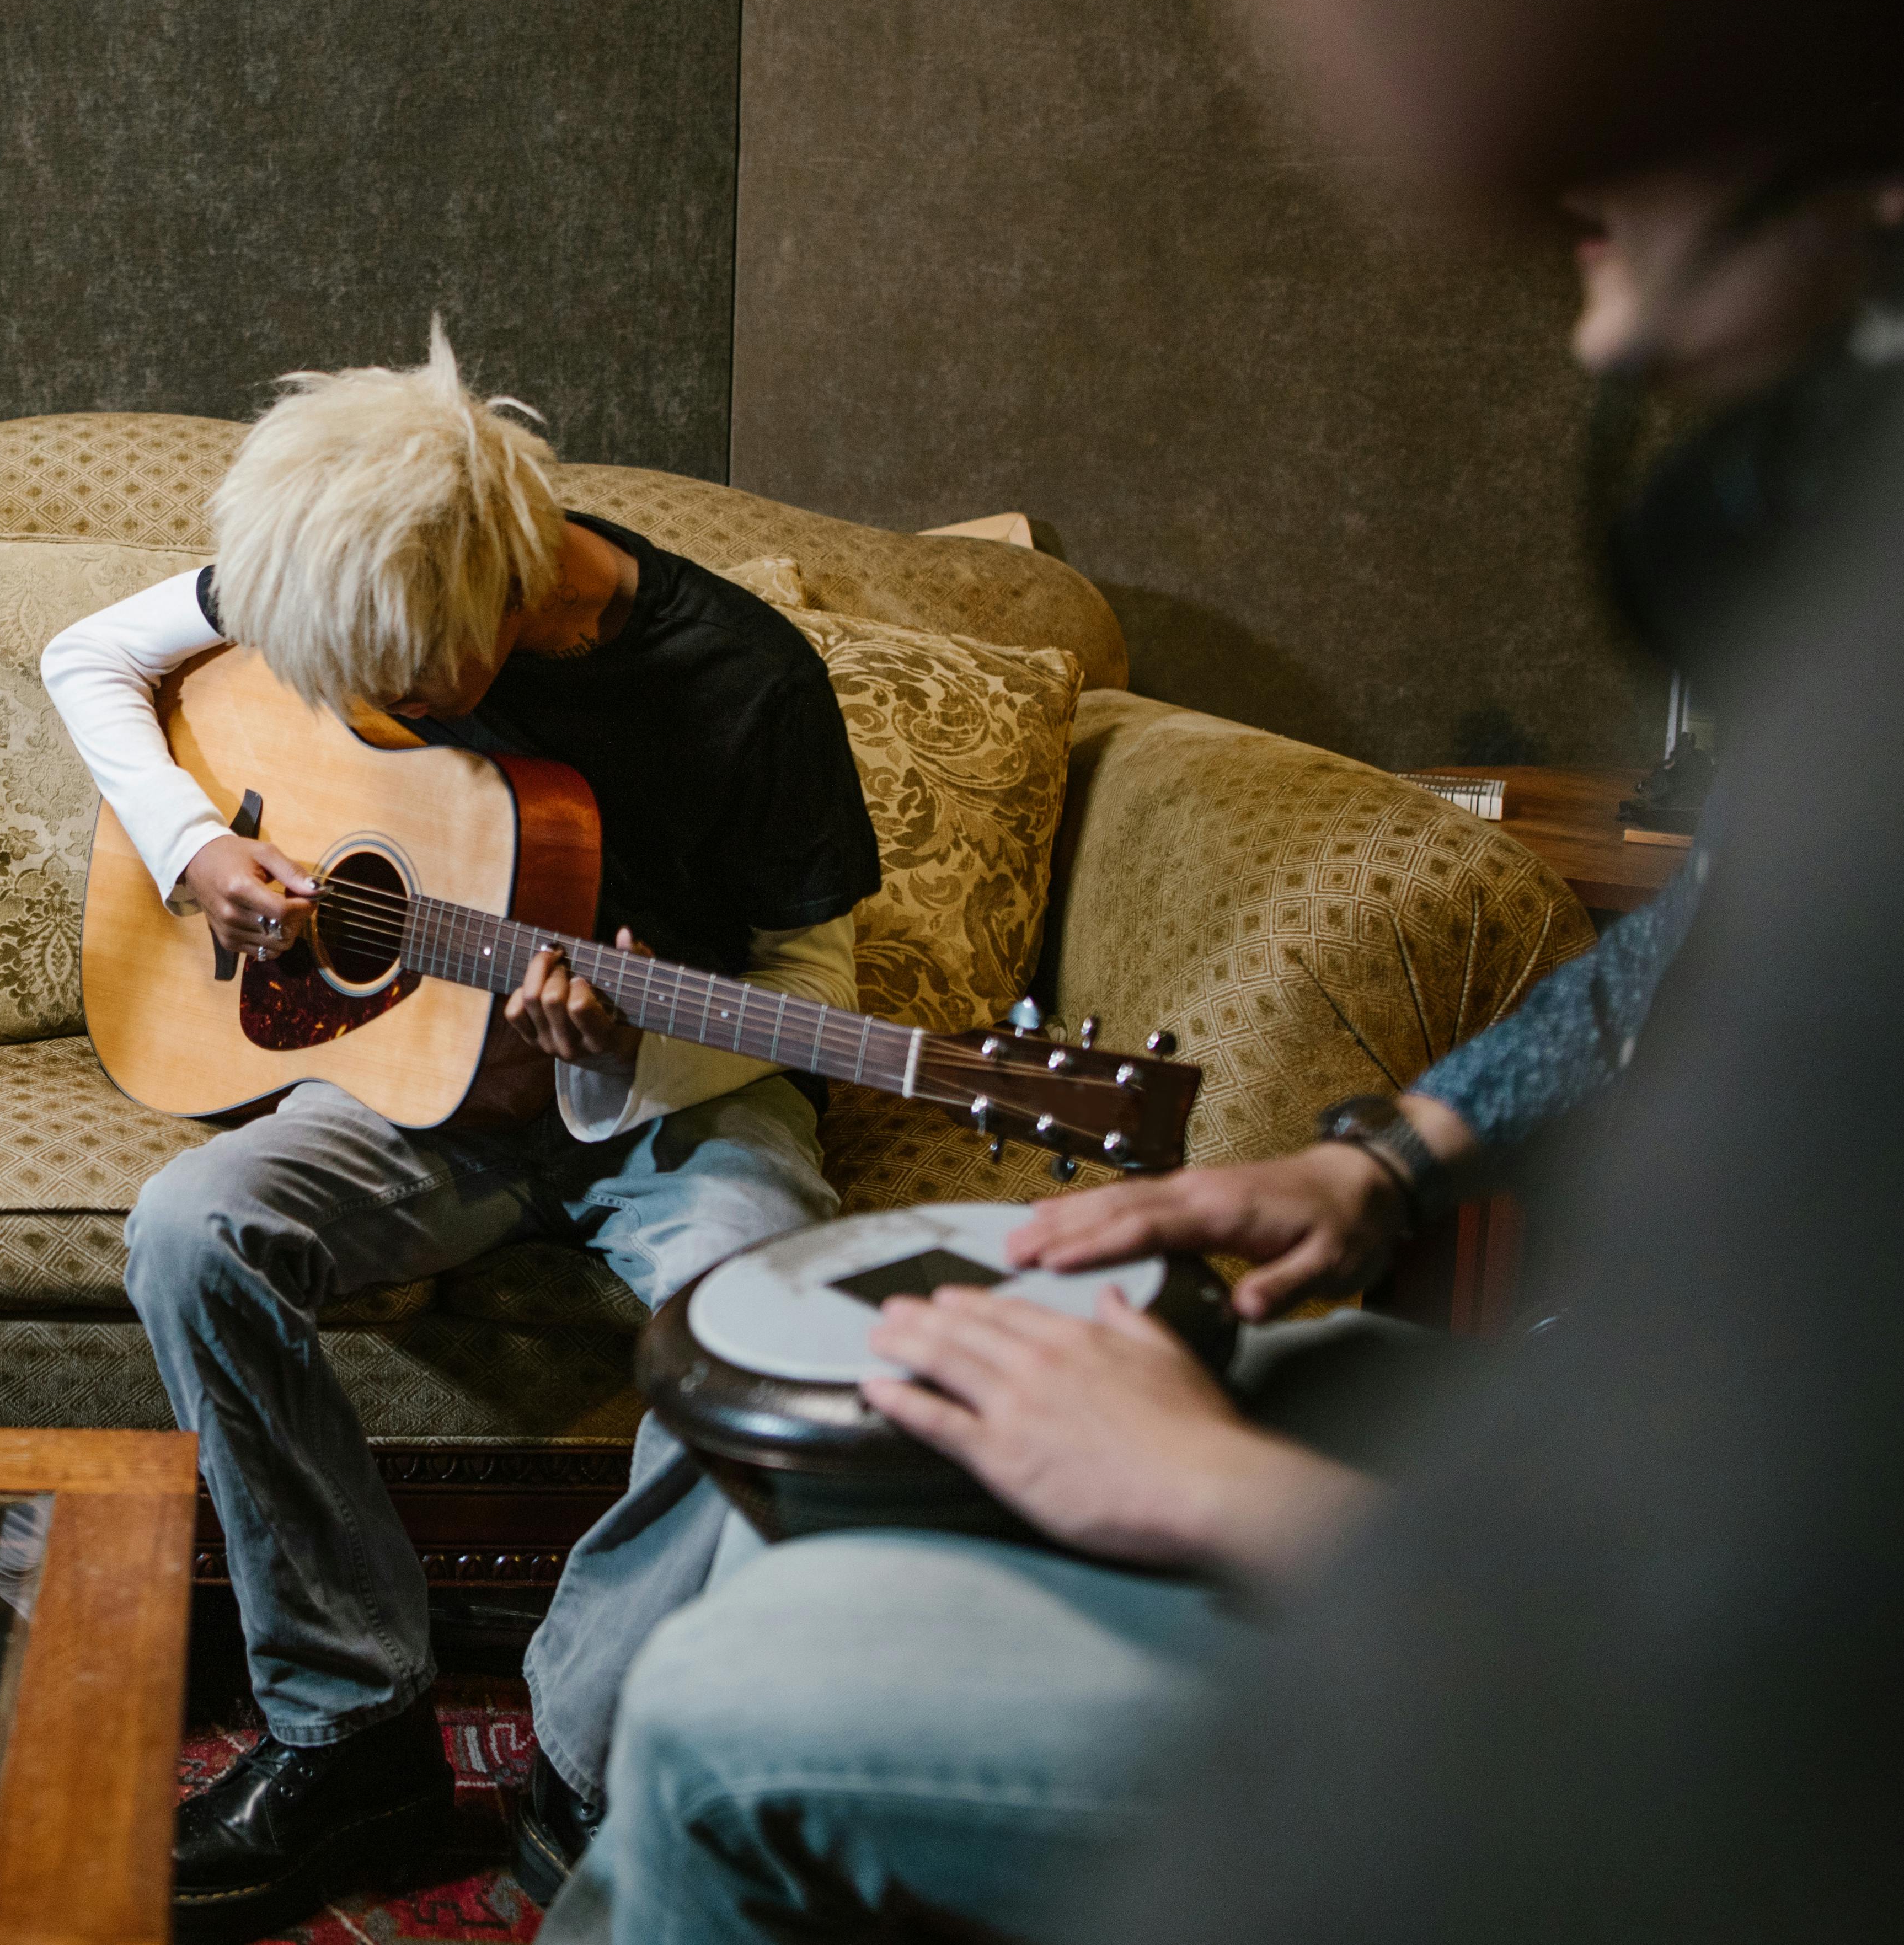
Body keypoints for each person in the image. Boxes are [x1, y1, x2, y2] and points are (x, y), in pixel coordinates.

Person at [539, 138, 1904, 1945]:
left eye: (1669, 122)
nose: (1579, 172)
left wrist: (1217, 1484)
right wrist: (1380, 1156)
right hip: (1578, 1474)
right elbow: (1675, 967)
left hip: (1686, 1711)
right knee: (906, 1446)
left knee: (725, 1708)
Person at [39, 325, 883, 1935]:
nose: (355, 701)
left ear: (506, 587)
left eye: (398, 685)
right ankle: (351, 1727)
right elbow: (90, 658)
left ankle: (576, 1741)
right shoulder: (347, 566)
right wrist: (194, 843)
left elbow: (813, 970)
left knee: (769, 1321)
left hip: (673, 1102)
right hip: (421, 1090)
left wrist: (645, 1036)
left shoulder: (745, 678)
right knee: (188, 1227)